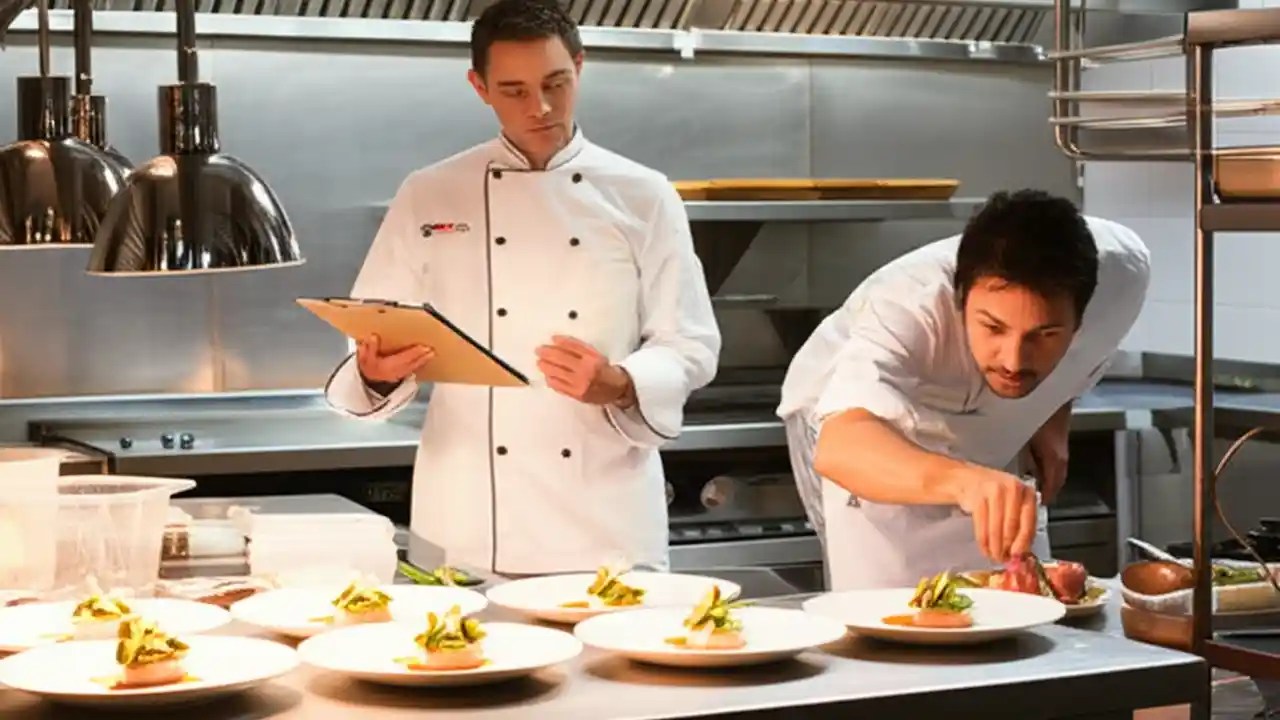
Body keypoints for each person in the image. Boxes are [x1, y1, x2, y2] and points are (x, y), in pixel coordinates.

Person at [324, 0, 720, 576]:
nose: (540, 107)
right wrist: (376, 371)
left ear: (580, 68)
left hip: (602, 519)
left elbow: (690, 343)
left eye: (556, 83)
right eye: (513, 91)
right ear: (479, 87)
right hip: (469, 522)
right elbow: (372, 328)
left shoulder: (643, 193)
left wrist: (621, 382)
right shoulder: (431, 192)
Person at [777, 190, 1149, 591]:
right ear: (959, 297)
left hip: (989, 453)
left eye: (1045, 334)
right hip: (876, 442)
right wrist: (968, 483)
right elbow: (841, 446)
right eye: (993, 327)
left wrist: (1052, 411)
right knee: (895, 625)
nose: (1013, 360)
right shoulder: (908, 305)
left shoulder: (1123, 277)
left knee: (1029, 610)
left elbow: (1090, 350)